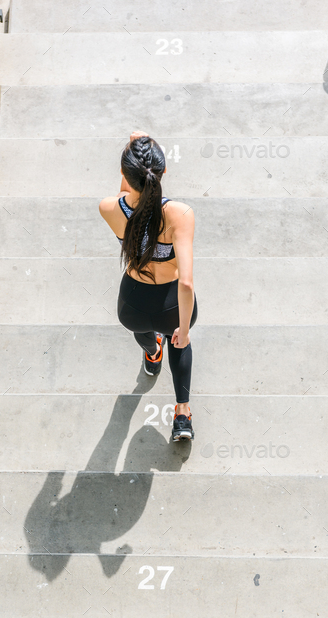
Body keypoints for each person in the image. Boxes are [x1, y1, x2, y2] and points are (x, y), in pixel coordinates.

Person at [99, 131, 197, 441]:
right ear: (163, 171)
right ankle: (182, 415)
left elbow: (126, 201)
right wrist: (183, 328)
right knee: (179, 343)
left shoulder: (107, 208)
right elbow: (186, 281)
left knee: (144, 332)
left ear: (124, 174)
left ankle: (152, 353)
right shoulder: (179, 215)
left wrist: (131, 154)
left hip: (133, 305)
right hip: (170, 303)